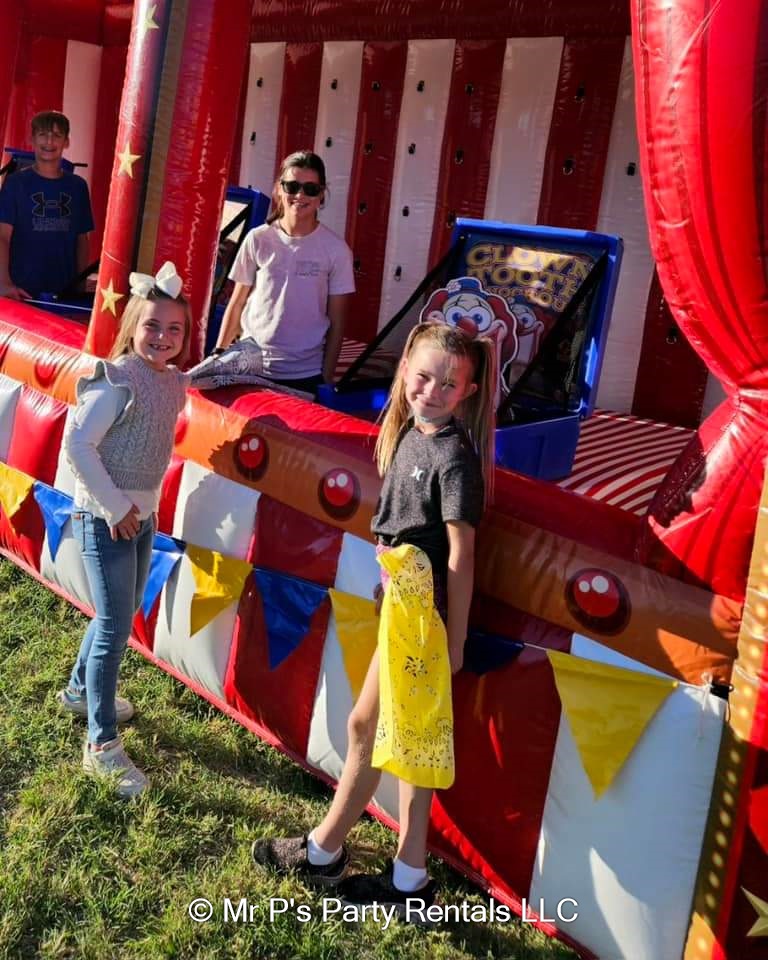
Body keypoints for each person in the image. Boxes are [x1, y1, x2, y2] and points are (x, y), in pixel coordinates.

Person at [252, 322, 496, 913]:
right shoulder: (411, 431)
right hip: (401, 601)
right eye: (424, 375)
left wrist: (454, 634)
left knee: (400, 738)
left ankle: (343, 857)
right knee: (385, 732)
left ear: (466, 391)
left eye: (449, 382)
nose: (433, 389)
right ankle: (379, 865)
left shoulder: (454, 457)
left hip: (424, 616)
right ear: (405, 367)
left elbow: (461, 555)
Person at [58, 262, 191, 798]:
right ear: (133, 324)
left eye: (174, 329)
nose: (162, 338)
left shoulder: (169, 381)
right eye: (152, 326)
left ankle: (77, 689)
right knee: (115, 625)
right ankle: (101, 744)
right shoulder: (118, 379)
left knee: (121, 611)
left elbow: (193, 383)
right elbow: (78, 445)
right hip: (106, 517)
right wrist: (114, 508)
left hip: (141, 517)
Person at [212, 150, 354, 395]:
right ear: (279, 188)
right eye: (292, 186)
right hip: (250, 366)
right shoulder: (257, 238)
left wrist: (327, 379)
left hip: (305, 376)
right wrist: (218, 357)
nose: (300, 195)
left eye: (310, 189)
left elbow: (337, 323)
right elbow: (237, 304)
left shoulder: (336, 250)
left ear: (321, 195)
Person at [0, 110, 94, 300]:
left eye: (57, 135)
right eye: (43, 134)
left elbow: (81, 239)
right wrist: (4, 283)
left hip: (63, 292)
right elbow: (2, 237)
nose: (49, 142)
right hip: (22, 291)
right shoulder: (15, 183)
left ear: (66, 142)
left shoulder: (78, 186)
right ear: (32, 140)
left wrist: (79, 285)